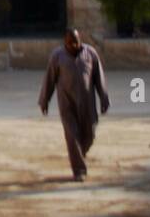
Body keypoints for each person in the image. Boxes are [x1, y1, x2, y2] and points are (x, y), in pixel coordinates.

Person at [38, 27, 109, 180]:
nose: (72, 46)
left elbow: (98, 77)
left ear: (80, 40)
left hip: (87, 103)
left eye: (75, 42)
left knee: (89, 135)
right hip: (67, 103)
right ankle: (79, 171)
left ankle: (78, 154)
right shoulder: (57, 56)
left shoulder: (90, 54)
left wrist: (104, 97)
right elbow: (49, 79)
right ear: (65, 42)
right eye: (69, 43)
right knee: (72, 136)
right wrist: (44, 100)